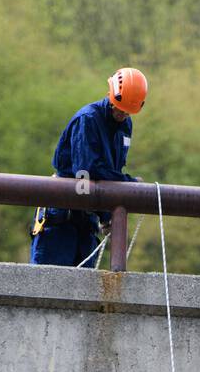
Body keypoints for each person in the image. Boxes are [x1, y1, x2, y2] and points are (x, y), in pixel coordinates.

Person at [30, 66, 147, 268]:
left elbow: (111, 173)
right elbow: (86, 171)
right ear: (111, 95)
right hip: (61, 218)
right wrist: (129, 183)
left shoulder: (125, 126)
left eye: (128, 112)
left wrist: (106, 216)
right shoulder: (88, 120)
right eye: (119, 108)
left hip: (87, 219)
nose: (122, 114)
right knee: (47, 288)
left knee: (83, 293)